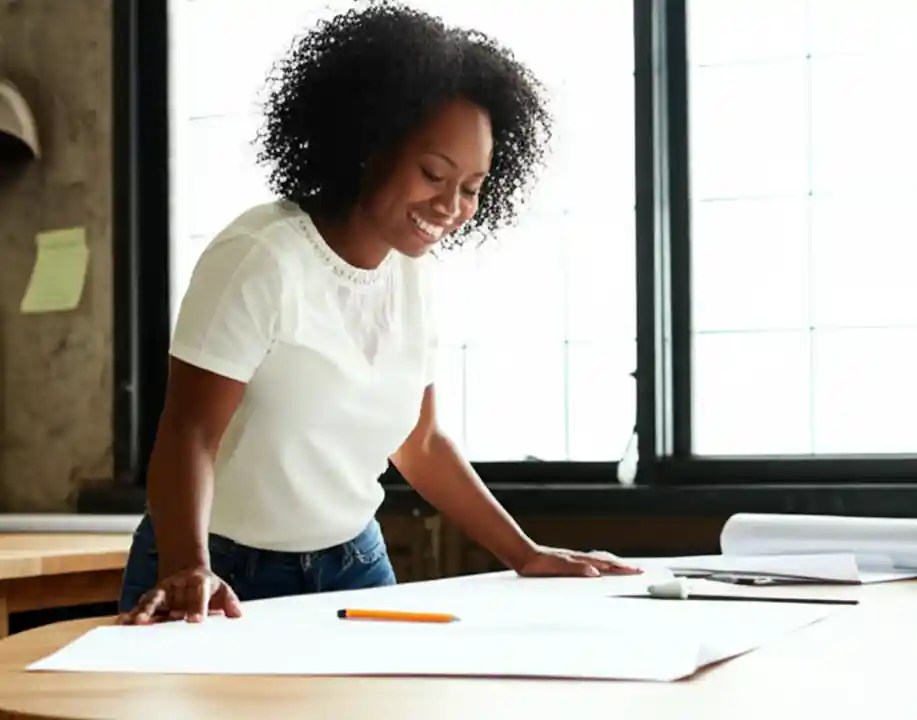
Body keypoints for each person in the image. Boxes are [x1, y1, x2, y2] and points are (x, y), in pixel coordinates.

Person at [119, 1, 639, 625]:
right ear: (370, 143)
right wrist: (187, 567)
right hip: (220, 573)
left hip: (355, 564)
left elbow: (418, 441)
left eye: (471, 187)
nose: (451, 205)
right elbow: (189, 435)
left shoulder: (411, 273)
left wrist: (523, 554)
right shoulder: (261, 257)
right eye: (432, 173)